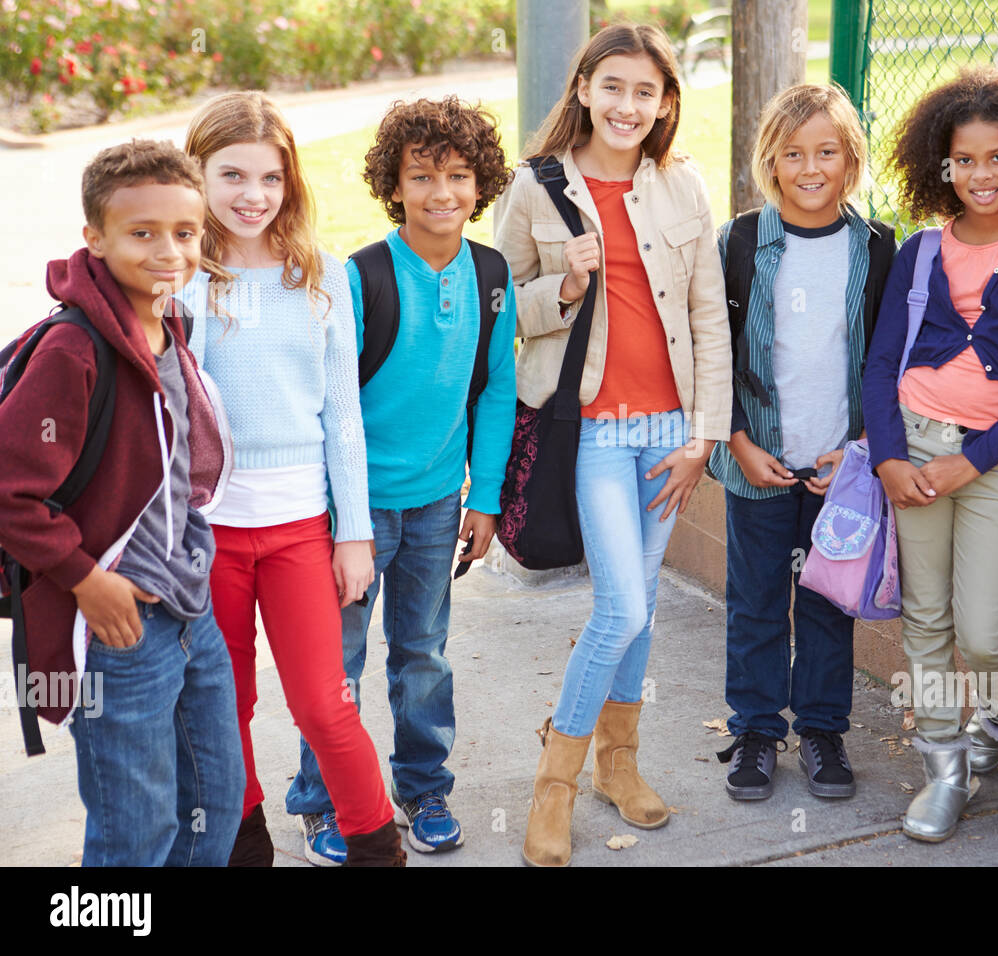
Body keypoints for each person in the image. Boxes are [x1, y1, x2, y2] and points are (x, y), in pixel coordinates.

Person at [494, 22, 731, 867]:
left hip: (670, 432)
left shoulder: (683, 185)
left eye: (646, 91)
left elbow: (709, 313)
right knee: (621, 606)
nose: (628, 105)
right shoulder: (537, 187)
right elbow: (503, 307)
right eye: (613, 87)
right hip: (593, 429)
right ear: (585, 89)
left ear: (666, 102)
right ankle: (551, 787)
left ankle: (617, 766)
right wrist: (563, 283)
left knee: (643, 611)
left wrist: (705, 435)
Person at [286, 95, 517, 864]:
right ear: (394, 184)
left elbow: (496, 390)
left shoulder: (492, 274)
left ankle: (424, 790)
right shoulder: (362, 276)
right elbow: (333, 407)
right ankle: (324, 803)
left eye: (458, 175)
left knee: (423, 655)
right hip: (353, 512)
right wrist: (340, 516)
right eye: (422, 176)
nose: (441, 193)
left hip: (435, 507)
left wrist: (484, 496)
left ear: (481, 184)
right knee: (336, 666)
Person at [0, 139, 242, 865]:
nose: (169, 251)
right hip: (117, 631)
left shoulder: (169, 325)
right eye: (142, 233)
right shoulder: (73, 350)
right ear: (95, 239)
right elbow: (9, 490)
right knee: (135, 838)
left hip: (189, 610)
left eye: (185, 232)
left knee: (214, 807)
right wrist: (86, 579)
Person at [180, 92, 402, 866]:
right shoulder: (180, 281)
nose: (252, 195)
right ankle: (245, 843)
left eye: (270, 177)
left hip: (301, 529)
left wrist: (354, 533)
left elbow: (344, 414)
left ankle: (378, 846)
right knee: (220, 705)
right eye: (231, 174)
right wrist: (191, 277)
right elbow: (178, 401)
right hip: (205, 536)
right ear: (196, 176)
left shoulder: (322, 275)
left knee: (324, 704)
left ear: (291, 183)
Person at [861, 67, 998, 843]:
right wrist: (889, 459)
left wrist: (973, 460)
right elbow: (882, 363)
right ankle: (946, 770)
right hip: (911, 451)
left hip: (990, 464)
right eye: (964, 160)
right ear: (940, 164)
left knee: (983, 632)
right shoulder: (919, 252)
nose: (981, 175)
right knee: (925, 619)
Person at [710, 83, 895, 802]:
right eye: (793, 153)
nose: (810, 167)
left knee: (826, 601)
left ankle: (821, 728)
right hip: (758, 461)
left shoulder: (877, 247)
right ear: (772, 162)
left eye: (827, 151)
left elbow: (888, 357)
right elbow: (712, 349)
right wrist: (734, 438)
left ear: (850, 161)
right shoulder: (741, 242)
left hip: (840, 470)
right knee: (755, 601)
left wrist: (861, 448)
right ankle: (756, 730)